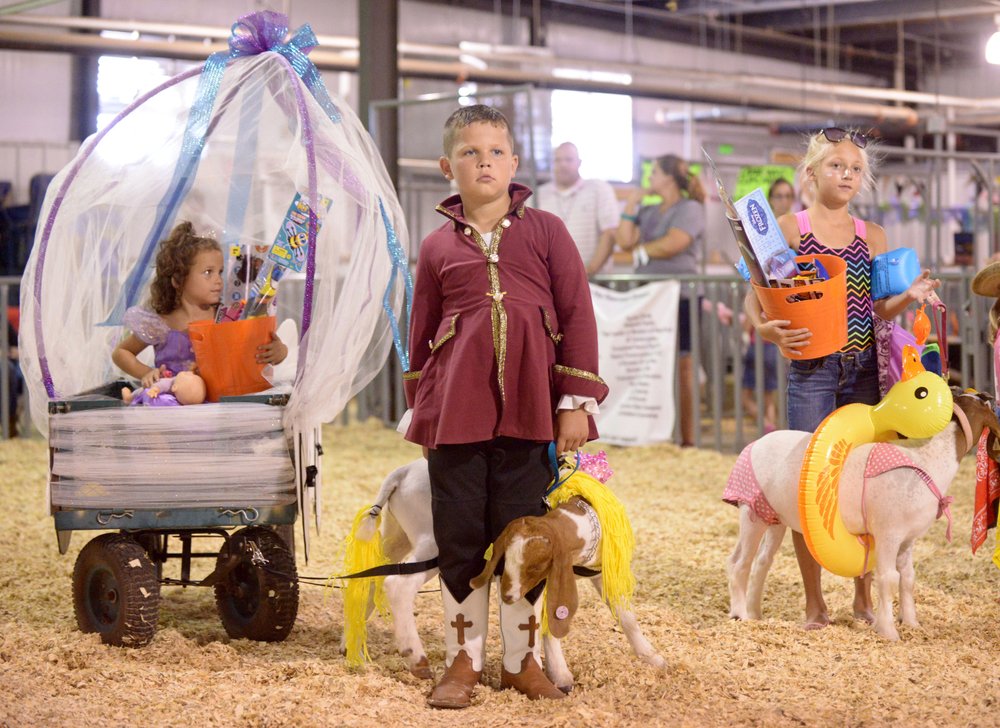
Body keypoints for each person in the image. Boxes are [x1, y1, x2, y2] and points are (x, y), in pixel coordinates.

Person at [402, 105, 608, 709]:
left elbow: (576, 315)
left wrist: (573, 402)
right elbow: (421, 334)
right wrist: (421, 408)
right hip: (454, 413)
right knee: (461, 538)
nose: (484, 161)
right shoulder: (436, 246)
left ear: (514, 164)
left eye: (495, 152)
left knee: (524, 540)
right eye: (470, 152)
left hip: (531, 409)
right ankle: (462, 661)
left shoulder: (547, 231)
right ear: (448, 167)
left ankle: (518, 662)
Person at [743, 127, 940, 630]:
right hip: (811, 367)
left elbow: (878, 309)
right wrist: (766, 330)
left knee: (866, 484)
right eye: (835, 166)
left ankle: (863, 598)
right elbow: (756, 288)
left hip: (863, 369)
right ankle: (814, 602)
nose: (846, 175)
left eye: (854, 168)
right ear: (811, 172)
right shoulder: (788, 227)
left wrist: (910, 295)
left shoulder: (871, 235)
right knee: (809, 482)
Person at [112, 221, 287, 387]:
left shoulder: (226, 317)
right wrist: (147, 372)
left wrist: (279, 352)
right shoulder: (161, 323)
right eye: (208, 272)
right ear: (178, 280)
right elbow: (121, 353)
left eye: (220, 272)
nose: (218, 280)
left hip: (216, 403)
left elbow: (251, 351)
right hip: (173, 404)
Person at [615, 154, 705, 448]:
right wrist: (631, 205)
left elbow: (675, 243)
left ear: (668, 176)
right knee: (646, 363)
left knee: (684, 365)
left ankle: (688, 438)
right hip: (649, 298)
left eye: (653, 172)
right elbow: (624, 240)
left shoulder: (691, 208)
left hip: (680, 298)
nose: (649, 178)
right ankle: (651, 433)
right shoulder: (650, 211)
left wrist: (642, 252)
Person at [740, 178, 796, 432]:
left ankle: (770, 429)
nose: (784, 201)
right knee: (769, 393)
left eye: (788, 196)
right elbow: (751, 284)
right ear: (771, 200)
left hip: (788, 328)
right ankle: (771, 429)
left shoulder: (799, 231)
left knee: (772, 393)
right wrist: (753, 324)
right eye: (779, 196)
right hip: (766, 330)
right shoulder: (760, 238)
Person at [534, 142, 620, 275]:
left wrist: (586, 274)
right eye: (558, 160)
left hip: (594, 283)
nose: (563, 164)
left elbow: (610, 233)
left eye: (568, 159)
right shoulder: (537, 196)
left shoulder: (599, 189)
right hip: (549, 284)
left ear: (579, 162)